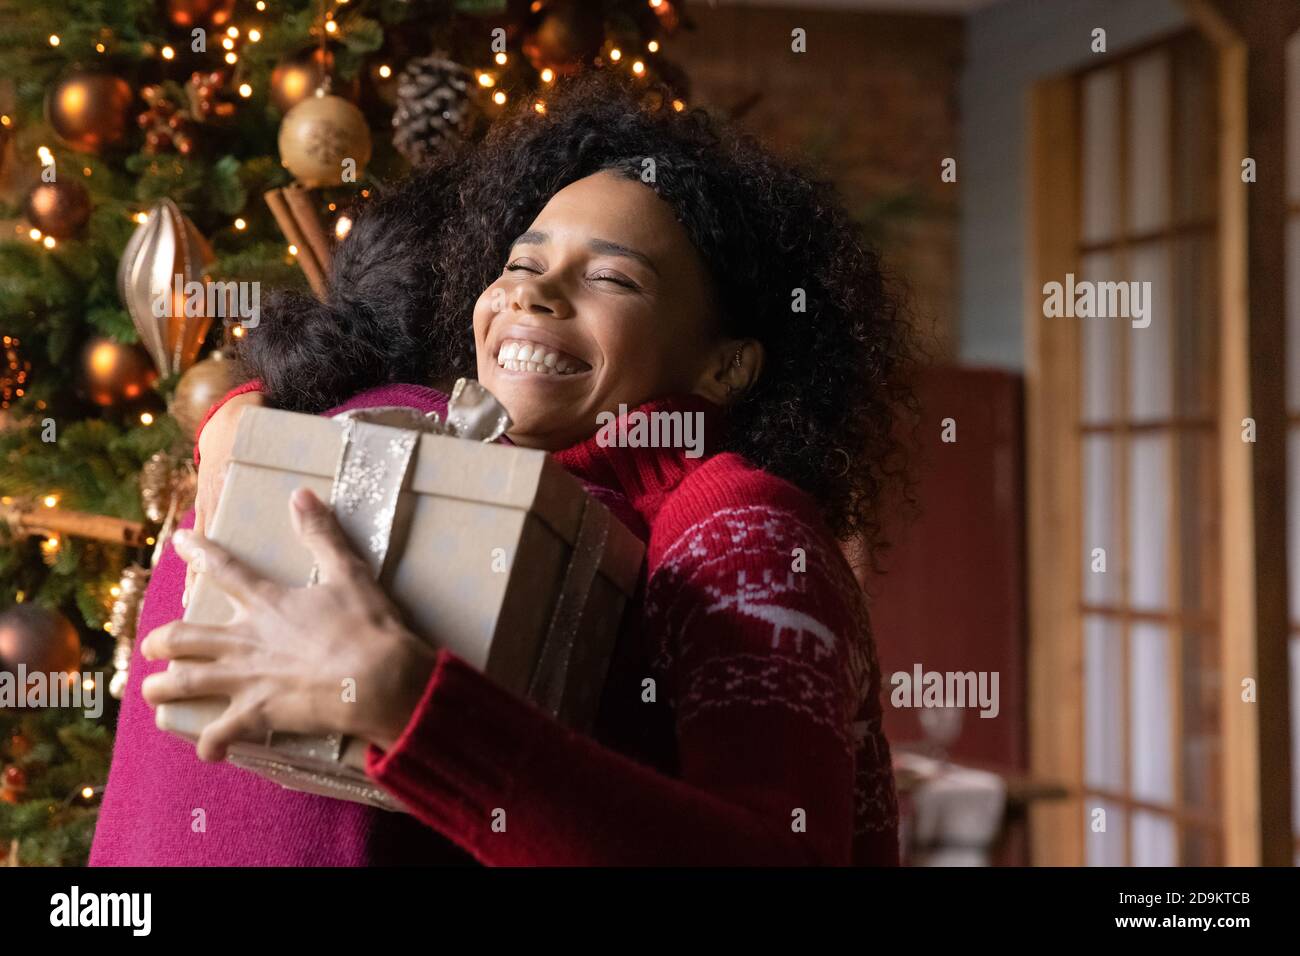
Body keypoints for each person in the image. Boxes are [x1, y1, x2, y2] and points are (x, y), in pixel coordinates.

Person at [91, 70, 915, 866]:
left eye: (613, 277)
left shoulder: (743, 526)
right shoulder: (509, 485)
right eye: (521, 264)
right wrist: (239, 415)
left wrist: (406, 701)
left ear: (726, 368)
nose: (534, 294)